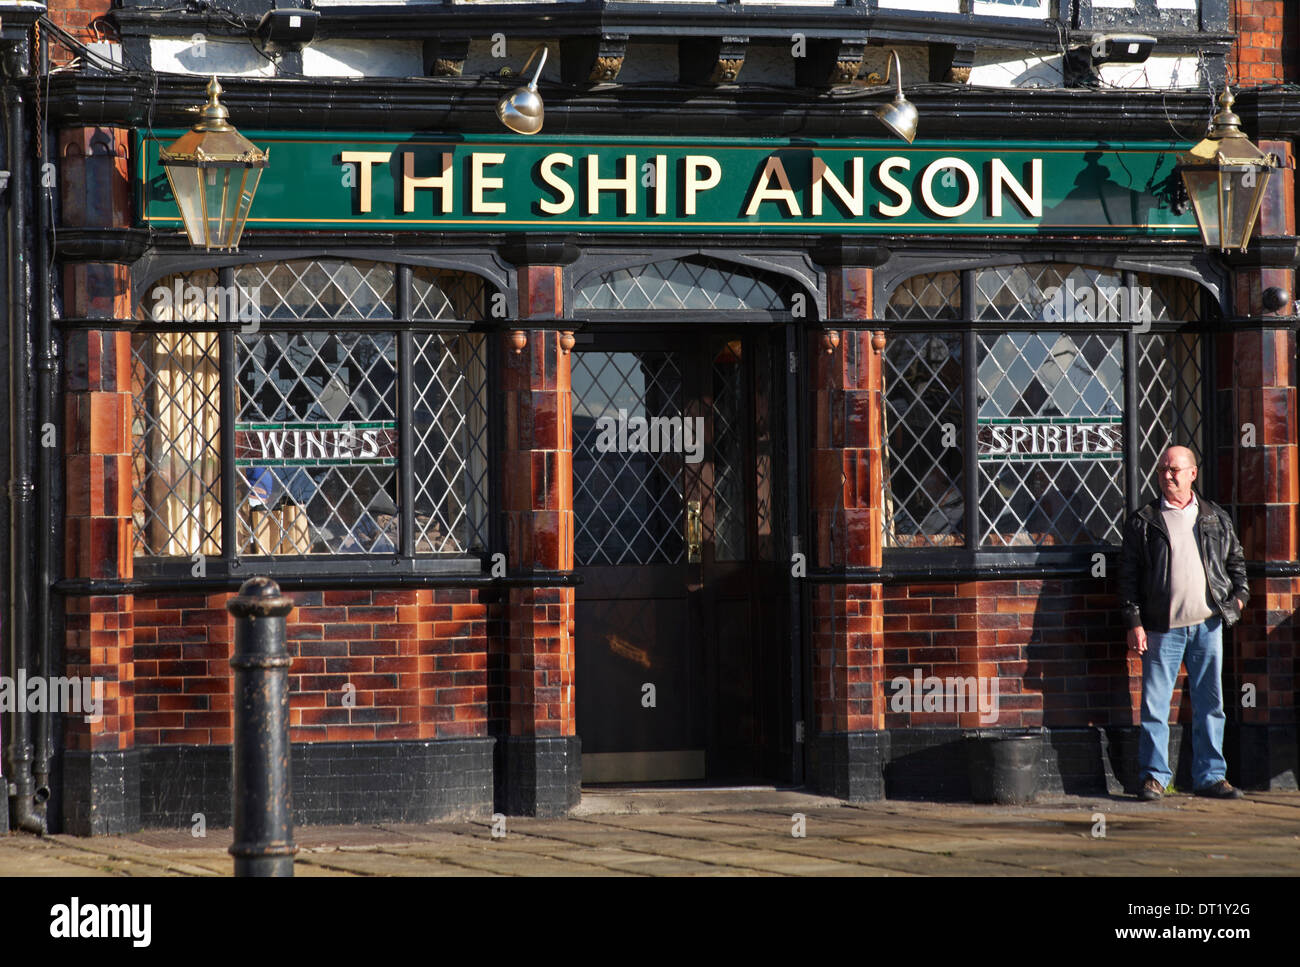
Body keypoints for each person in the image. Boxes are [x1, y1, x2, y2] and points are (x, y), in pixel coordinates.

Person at [1118, 445, 1249, 801]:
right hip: (1162, 628)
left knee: (1210, 704)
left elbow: (1236, 565)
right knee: (1155, 706)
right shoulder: (1144, 521)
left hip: (1208, 626)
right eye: (1162, 470)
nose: (1167, 475)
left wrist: (1236, 600)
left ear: (1193, 473)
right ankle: (1155, 777)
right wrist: (1134, 621)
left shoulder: (1215, 518)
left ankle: (1211, 776)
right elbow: (1128, 578)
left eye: (1175, 469)